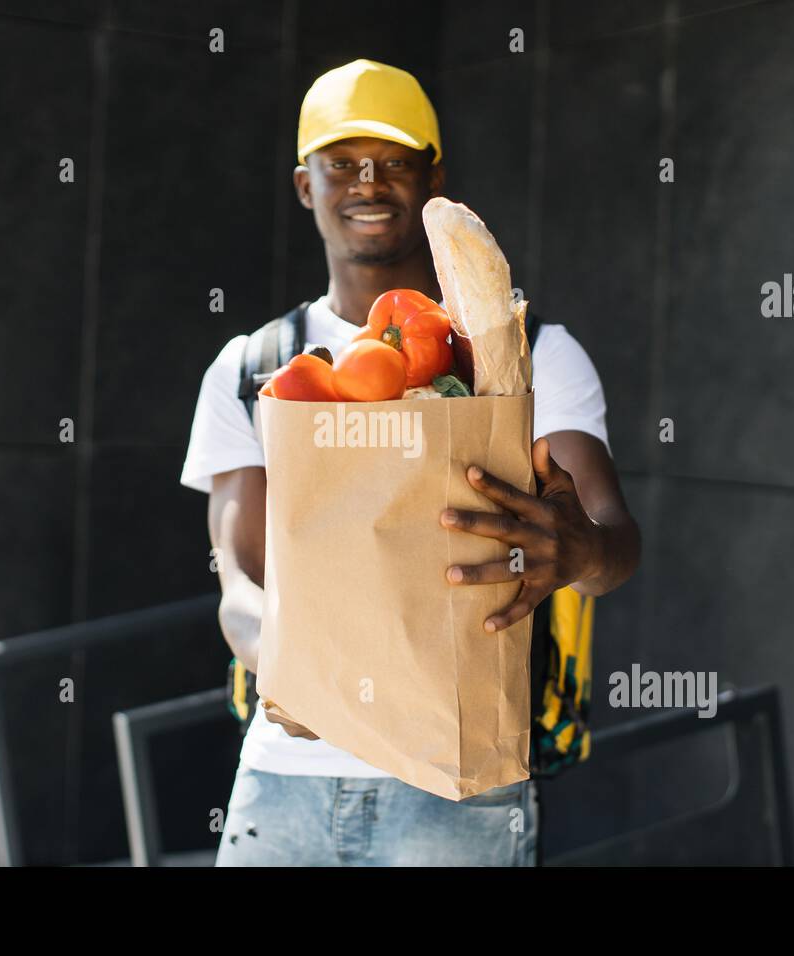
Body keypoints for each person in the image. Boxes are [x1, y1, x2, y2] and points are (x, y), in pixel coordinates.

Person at [181, 59, 640, 866]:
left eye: (395, 162)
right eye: (341, 164)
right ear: (303, 185)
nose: (368, 183)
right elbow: (237, 587)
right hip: (284, 782)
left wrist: (582, 551)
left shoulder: (531, 355)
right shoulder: (255, 365)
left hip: (457, 785)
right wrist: (292, 664)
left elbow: (613, 548)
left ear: (435, 179)